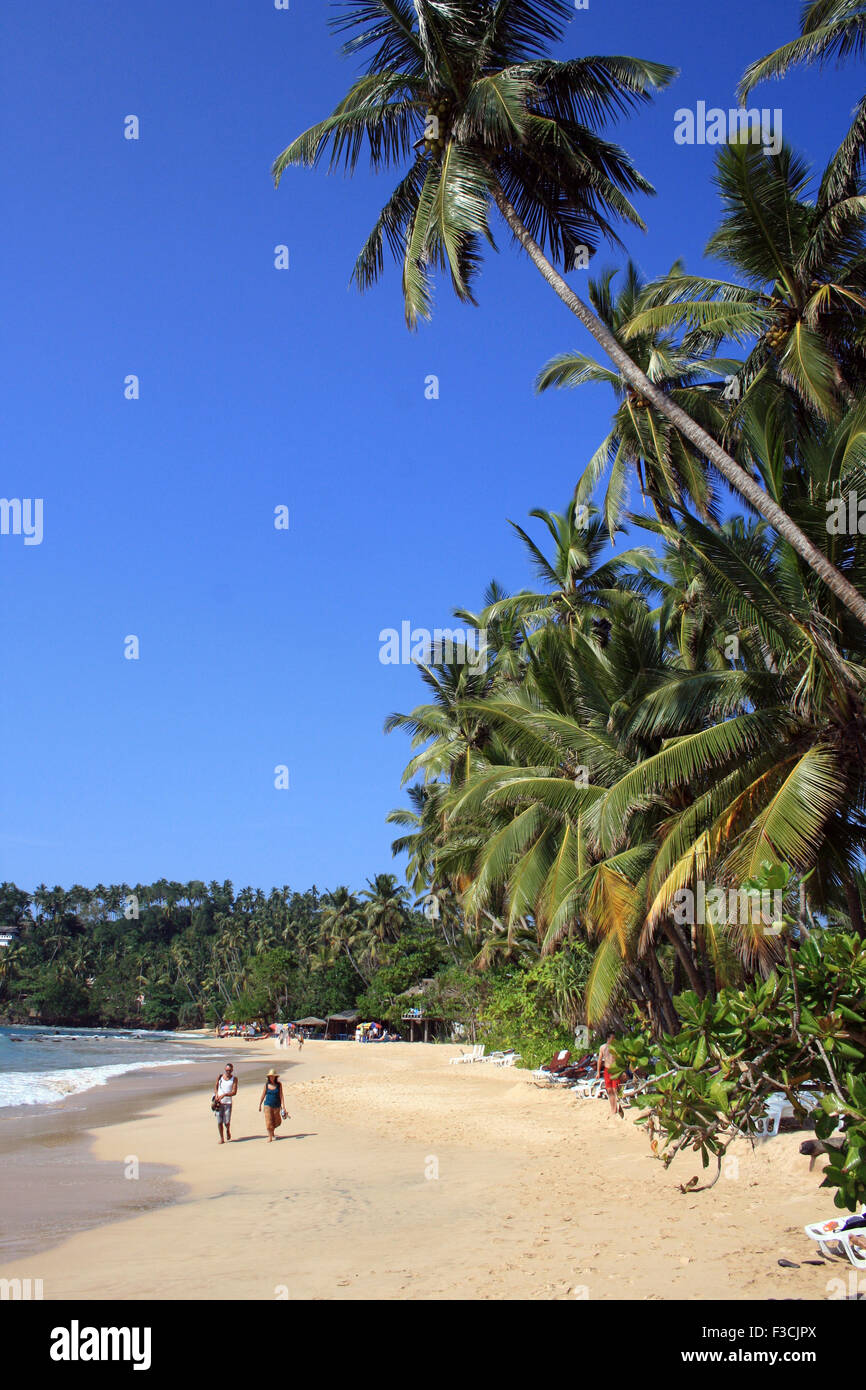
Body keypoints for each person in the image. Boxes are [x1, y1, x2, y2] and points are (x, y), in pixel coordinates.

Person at [597, 1034, 622, 1117]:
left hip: (615, 1069)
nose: (614, 1039)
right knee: (609, 1090)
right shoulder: (603, 1047)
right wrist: (598, 1072)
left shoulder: (616, 1047)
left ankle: (618, 1107)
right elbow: (600, 1060)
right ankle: (613, 1108)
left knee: (616, 1089)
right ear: (608, 1038)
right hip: (607, 1070)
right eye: (612, 1038)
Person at [258, 1070, 288, 1142]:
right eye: (270, 1076)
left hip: (277, 1105)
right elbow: (263, 1095)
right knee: (268, 1122)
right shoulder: (266, 1085)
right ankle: (270, 1137)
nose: (272, 1078)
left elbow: (281, 1095)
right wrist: (260, 1104)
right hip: (267, 1105)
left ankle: (272, 1131)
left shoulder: (279, 1085)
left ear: (275, 1077)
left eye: (273, 1076)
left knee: (276, 1121)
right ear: (268, 1077)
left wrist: (283, 1106)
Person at [214, 1062, 237, 1143]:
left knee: (227, 1122)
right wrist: (216, 1094)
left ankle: (227, 1130)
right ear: (225, 1070)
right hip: (219, 1103)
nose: (228, 1072)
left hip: (228, 1103)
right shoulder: (220, 1077)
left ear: (232, 1070)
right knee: (219, 1121)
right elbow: (216, 1087)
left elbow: (234, 1092)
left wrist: (225, 1094)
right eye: (227, 1070)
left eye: (230, 1070)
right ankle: (222, 1138)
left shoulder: (234, 1079)